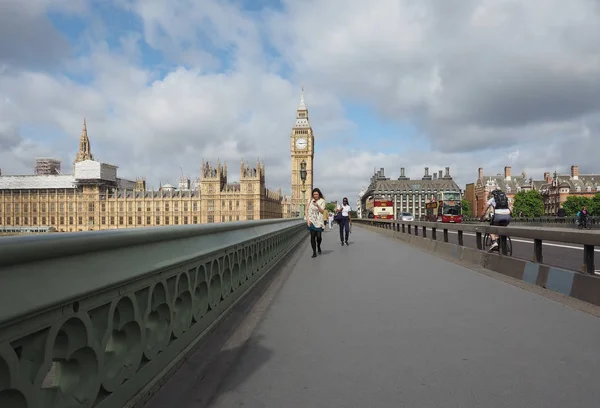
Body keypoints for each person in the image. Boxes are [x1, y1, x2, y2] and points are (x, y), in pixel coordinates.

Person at [306, 188, 326, 258]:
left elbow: (322, 211)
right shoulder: (309, 200)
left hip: (319, 221)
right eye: (314, 194)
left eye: (316, 194)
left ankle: (318, 246)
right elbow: (306, 210)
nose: (315, 196)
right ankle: (314, 252)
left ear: (319, 194)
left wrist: (317, 205)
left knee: (319, 237)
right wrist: (308, 220)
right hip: (311, 220)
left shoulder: (322, 201)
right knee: (312, 236)